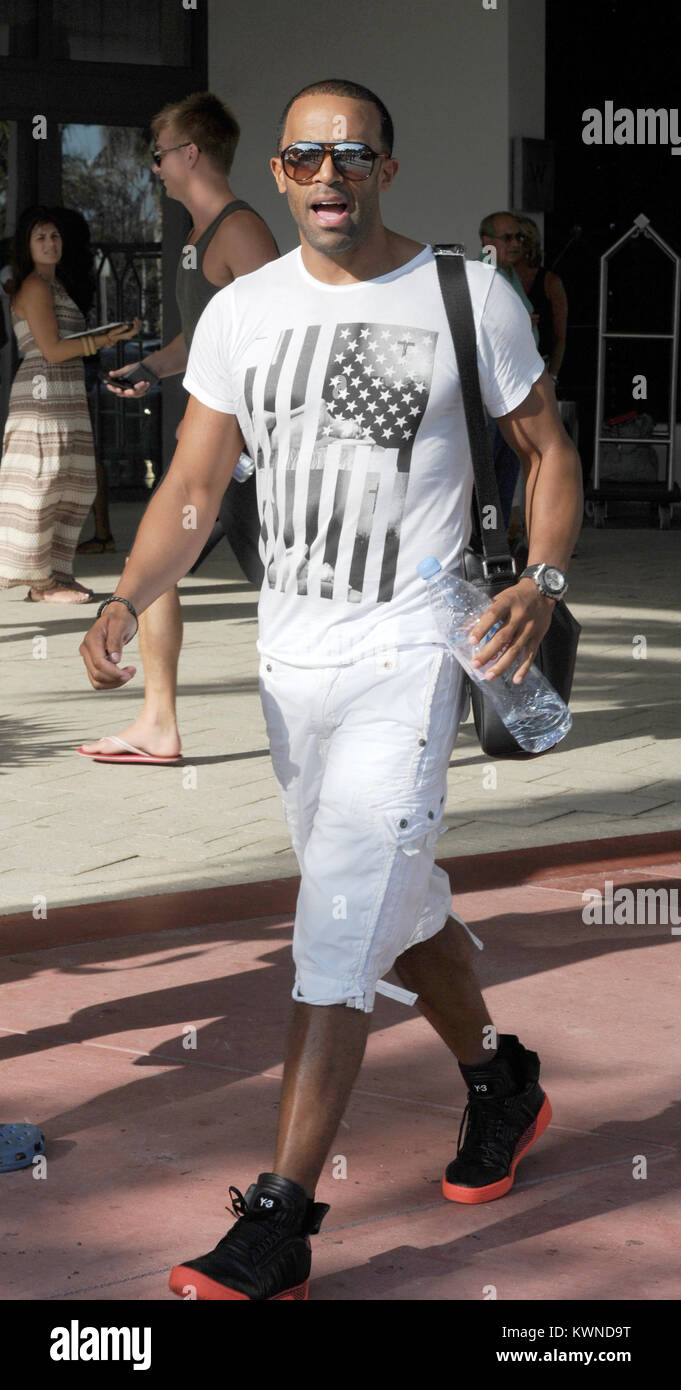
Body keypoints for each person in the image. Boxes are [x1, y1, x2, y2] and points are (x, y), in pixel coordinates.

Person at [80, 78, 583, 1301]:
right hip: (291, 663)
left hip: (409, 652)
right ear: (286, 171)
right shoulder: (244, 311)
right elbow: (197, 485)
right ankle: (502, 1081)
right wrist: (133, 590)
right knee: (395, 912)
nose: (325, 176)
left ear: (387, 172)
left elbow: (549, 450)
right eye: (305, 156)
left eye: (351, 156)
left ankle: (280, 1223)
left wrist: (548, 576)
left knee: (334, 933)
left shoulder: (470, 295)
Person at [79, 91, 278, 764]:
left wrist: (241, 445)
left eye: (159, 154)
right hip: (214, 460)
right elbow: (206, 340)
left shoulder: (240, 232)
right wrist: (153, 367)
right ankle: (157, 722)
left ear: (191, 154)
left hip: (246, 462)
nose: (154, 168)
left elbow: (273, 346)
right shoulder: (198, 239)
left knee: (304, 593)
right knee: (154, 566)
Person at [0, 207, 137, 602]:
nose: (50, 244)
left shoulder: (54, 283)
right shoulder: (35, 286)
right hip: (44, 392)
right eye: (41, 237)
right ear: (27, 246)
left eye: (55, 237)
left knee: (71, 483)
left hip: (64, 391)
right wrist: (105, 340)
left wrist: (107, 334)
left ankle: (57, 573)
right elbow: (54, 350)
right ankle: (41, 584)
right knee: (44, 482)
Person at [479, 211, 540, 535]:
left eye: (520, 237)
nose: (517, 244)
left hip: (515, 388)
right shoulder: (482, 277)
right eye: (509, 238)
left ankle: (498, 543)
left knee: (507, 469)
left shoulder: (507, 274)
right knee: (486, 474)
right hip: (492, 392)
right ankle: (483, 543)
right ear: (487, 242)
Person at [515, 214, 568, 389]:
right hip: (507, 365)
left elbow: (560, 337)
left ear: (530, 242)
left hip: (540, 366)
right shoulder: (499, 277)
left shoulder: (550, 282)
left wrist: (552, 376)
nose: (513, 244)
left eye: (519, 238)